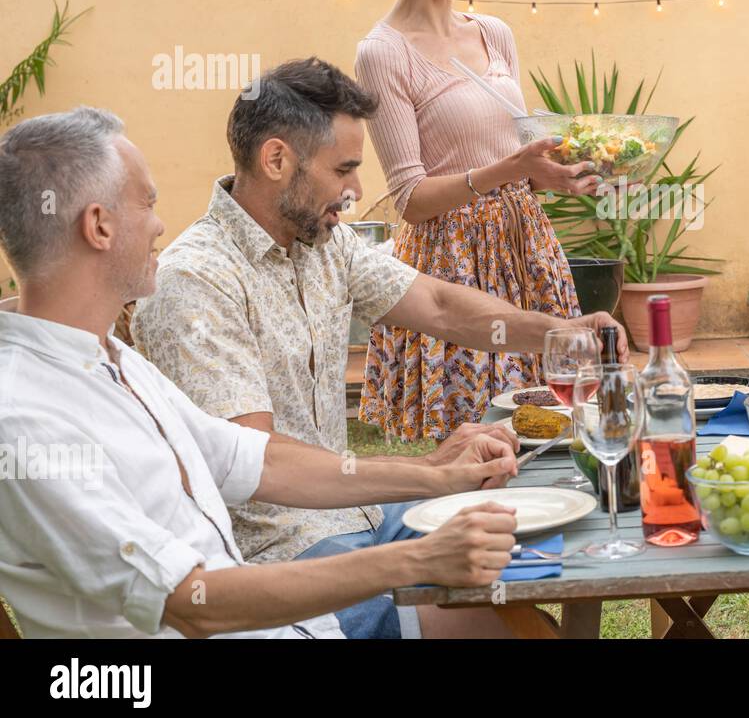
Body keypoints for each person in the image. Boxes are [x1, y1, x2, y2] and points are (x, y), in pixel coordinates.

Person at [131, 58, 625, 637]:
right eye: (344, 169)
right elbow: (257, 463)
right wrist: (427, 472)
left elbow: (440, 307)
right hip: (281, 561)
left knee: (541, 555)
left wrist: (559, 331)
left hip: (364, 517)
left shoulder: (322, 242)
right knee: (516, 628)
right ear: (275, 160)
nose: (357, 191)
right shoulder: (196, 281)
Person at [0, 108, 520, 639]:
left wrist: (436, 472)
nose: (159, 223)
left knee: (512, 622)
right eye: (148, 203)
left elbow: (252, 458)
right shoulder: (27, 420)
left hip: (285, 627)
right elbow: (193, 606)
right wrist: (418, 560)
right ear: (99, 226)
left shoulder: (110, 358)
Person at [353, 0, 599, 441]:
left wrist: (557, 175)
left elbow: (517, 156)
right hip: (451, 260)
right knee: (480, 434)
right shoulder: (382, 53)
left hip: (526, 244)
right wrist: (514, 167)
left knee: (554, 420)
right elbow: (409, 199)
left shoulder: (495, 34)